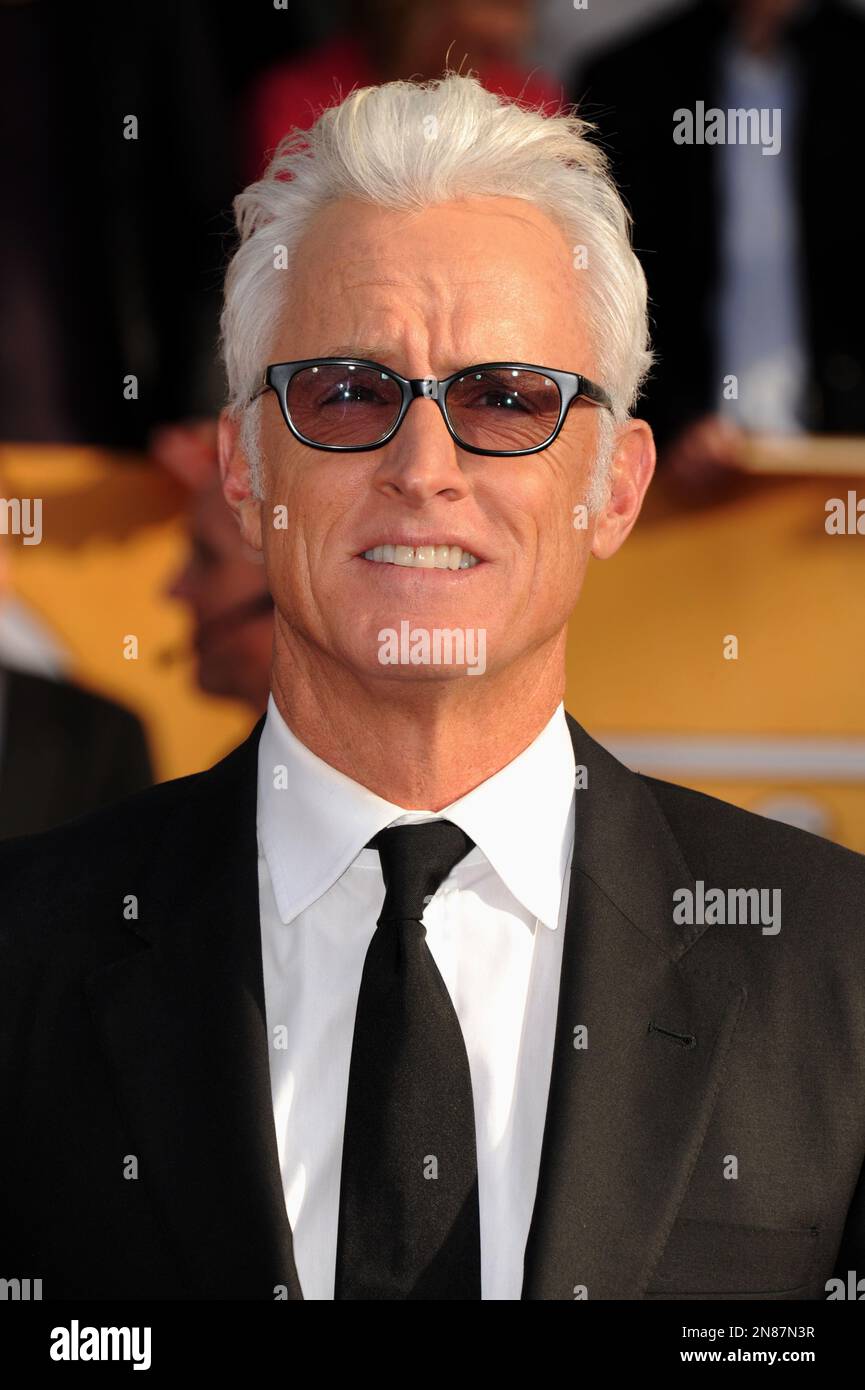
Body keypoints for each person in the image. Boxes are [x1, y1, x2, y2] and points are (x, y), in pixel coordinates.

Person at [1, 71, 863, 1301]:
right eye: (347, 392)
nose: (422, 466)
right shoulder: (26, 955)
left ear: (614, 486)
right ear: (245, 469)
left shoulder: (839, 965)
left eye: (505, 399)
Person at [571, 0, 865, 491]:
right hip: (671, 480)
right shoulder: (630, 78)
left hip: (843, 475)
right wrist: (667, 420)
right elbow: (598, 282)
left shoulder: (851, 65)